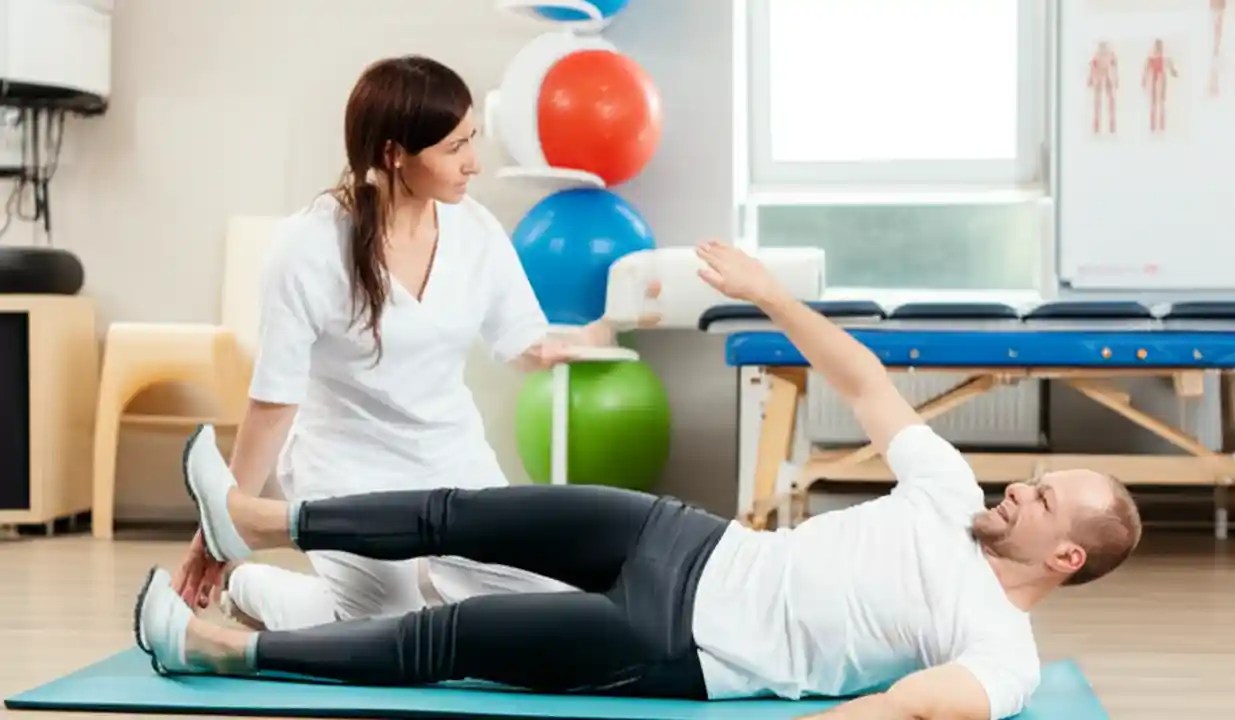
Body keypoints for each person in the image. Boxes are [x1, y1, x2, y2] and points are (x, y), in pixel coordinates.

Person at [139, 241, 1143, 720]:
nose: (1020, 489)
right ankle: (256, 517)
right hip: (683, 541)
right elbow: (865, 382)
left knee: (439, 643)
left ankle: (218, 652)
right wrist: (770, 297)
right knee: (463, 513)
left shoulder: (1000, 653)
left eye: (1042, 500)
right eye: (1036, 480)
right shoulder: (950, 495)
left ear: (1062, 554)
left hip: (677, 643)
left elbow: (906, 709)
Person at [172, 55, 651, 631]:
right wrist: (224, 527)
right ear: (394, 154)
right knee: (383, 621)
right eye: (454, 148)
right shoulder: (309, 244)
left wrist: (602, 329)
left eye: (472, 138)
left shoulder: (474, 230)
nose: (474, 163)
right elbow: (273, 406)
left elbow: (525, 342)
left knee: (541, 604)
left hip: (453, 460)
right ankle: (255, 589)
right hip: (346, 468)